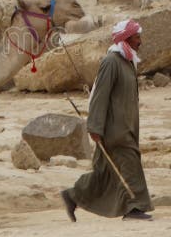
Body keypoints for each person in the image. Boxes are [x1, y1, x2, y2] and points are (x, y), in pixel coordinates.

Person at [60, 18, 154, 222]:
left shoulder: (127, 62)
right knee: (129, 166)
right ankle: (133, 208)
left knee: (104, 173)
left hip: (126, 127)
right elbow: (99, 96)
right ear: (127, 39)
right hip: (114, 129)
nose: (140, 41)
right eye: (137, 37)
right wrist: (95, 127)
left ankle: (72, 196)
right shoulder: (111, 62)